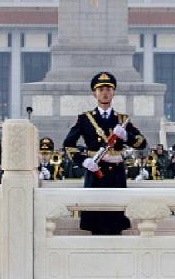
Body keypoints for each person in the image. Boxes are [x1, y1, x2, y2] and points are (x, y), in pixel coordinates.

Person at [61, 72, 148, 235]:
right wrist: (84, 161)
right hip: (95, 173)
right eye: (100, 89)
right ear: (95, 93)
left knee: (116, 220)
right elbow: (68, 145)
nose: (105, 92)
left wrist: (126, 136)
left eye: (108, 89)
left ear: (114, 93)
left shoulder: (122, 119)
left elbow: (142, 143)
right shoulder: (85, 119)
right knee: (95, 220)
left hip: (116, 174)